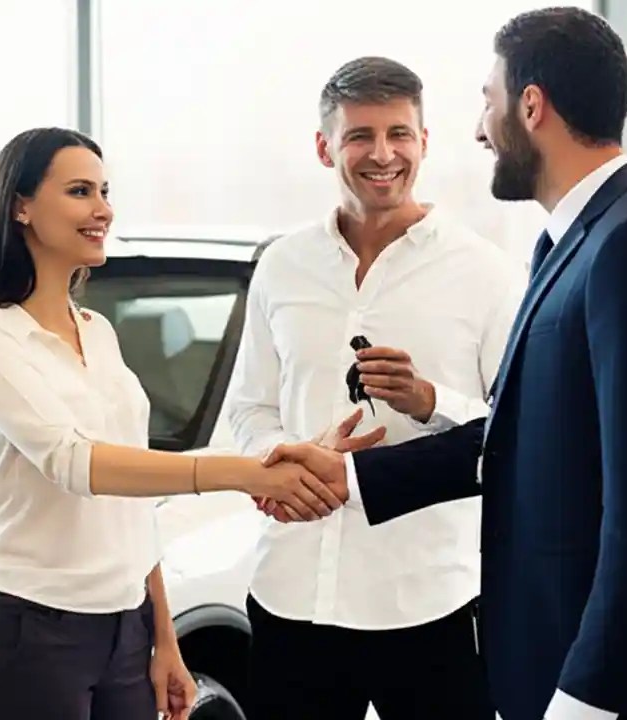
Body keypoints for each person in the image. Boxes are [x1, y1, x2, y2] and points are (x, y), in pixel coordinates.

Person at [263, 8, 627, 720]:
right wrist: (351, 477)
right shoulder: (576, 247)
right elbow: (520, 442)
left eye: (488, 102)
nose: (480, 130)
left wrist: (587, 698)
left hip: (613, 689)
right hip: (553, 660)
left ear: (531, 106)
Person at [0, 127, 362, 720]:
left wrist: (162, 638)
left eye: (104, 191)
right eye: (79, 191)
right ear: (20, 205)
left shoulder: (96, 330)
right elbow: (76, 463)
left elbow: (131, 510)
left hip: (125, 626)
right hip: (33, 629)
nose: (102, 209)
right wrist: (248, 474)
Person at [225, 56, 524, 720]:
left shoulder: (485, 273)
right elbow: (250, 405)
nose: (382, 153)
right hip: (291, 596)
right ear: (325, 146)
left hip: (427, 603)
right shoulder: (282, 266)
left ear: (424, 142)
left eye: (399, 133)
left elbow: (520, 430)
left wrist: (430, 400)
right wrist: (288, 464)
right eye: (360, 134)